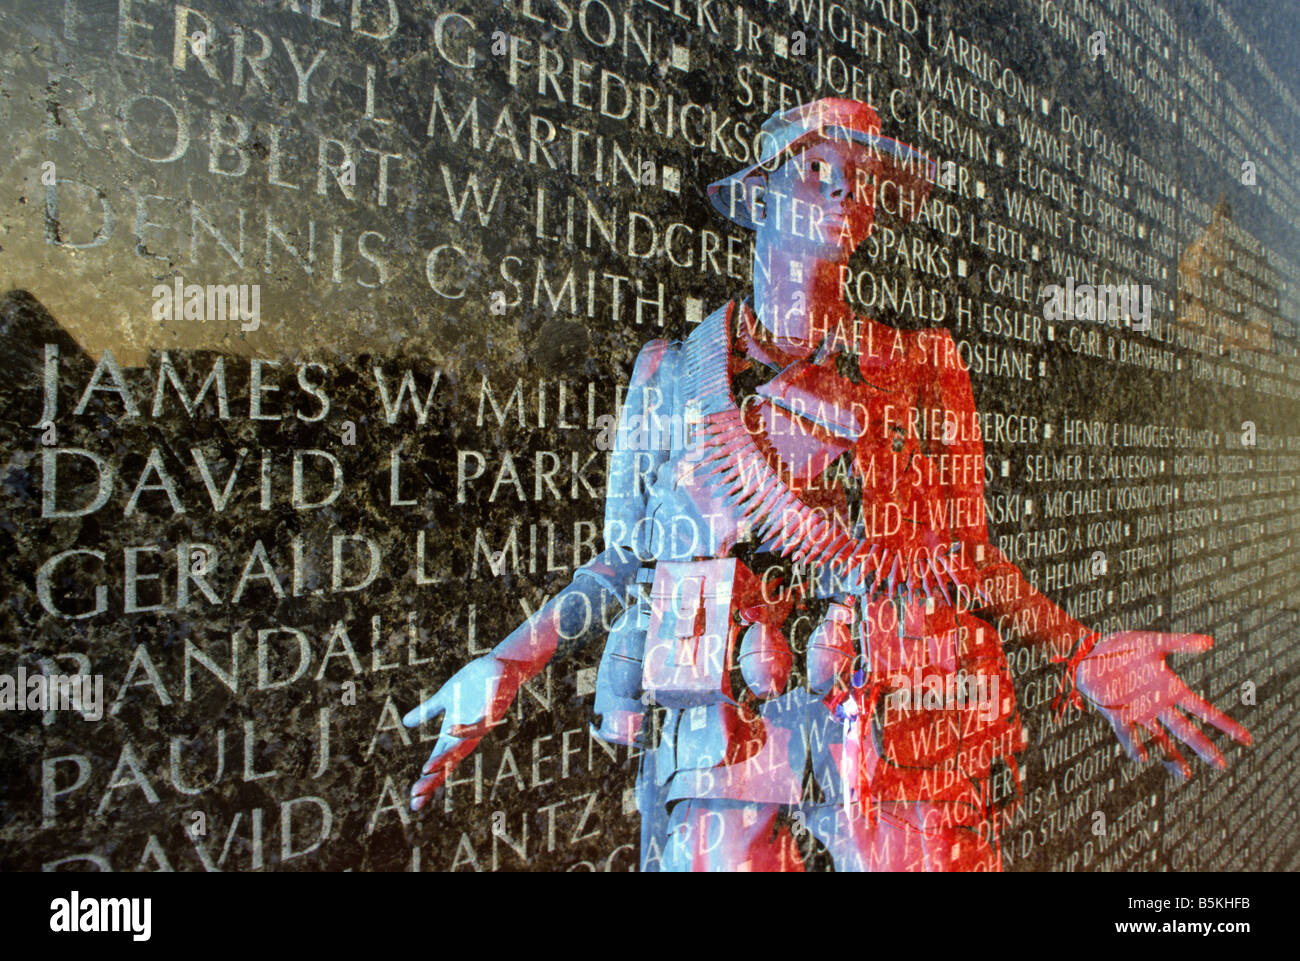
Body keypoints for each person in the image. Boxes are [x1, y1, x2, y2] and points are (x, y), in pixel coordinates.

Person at [402, 98, 1252, 871]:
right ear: (761, 195)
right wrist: (507, 665)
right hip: (726, 723)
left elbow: (963, 555)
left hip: (890, 715)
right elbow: (626, 558)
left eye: (862, 179)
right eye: (816, 168)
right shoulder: (670, 376)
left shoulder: (923, 372)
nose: (844, 189)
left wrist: (1077, 647)